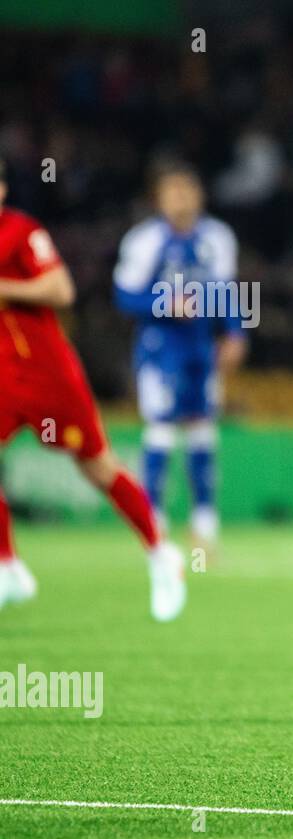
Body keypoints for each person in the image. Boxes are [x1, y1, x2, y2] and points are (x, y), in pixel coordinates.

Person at [0, 158, 186, 620]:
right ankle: (8, 567)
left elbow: (62, 290)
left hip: (45, 373)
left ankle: (161, 552)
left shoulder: (22, 232)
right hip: (3, 377)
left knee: (97, 467)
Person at [113, 161, 248, 550]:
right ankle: (153, 526)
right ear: (158, 199)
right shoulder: (143, 241)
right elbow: (123, 297)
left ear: (200, 195)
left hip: (201, 348)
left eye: (187, 191)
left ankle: (205, 528)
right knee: (160, 427)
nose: (181, 199)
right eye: (173, 192)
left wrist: (235, 333)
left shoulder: (218, 237)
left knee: (203, 428)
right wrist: (164, 303)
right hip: (160, 350)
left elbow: (226, 289)